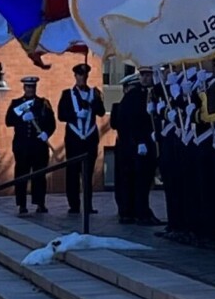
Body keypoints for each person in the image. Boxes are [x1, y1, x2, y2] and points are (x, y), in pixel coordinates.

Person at [110, 69, 157, 223]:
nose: (145, 78)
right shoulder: (134, 96)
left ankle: (137, 211)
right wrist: (139, 141)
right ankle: (139, 212)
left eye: (148, 75)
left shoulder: (154, 93)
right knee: (139, 180)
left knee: (144, 179)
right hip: (138, 145)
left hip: (150, 142)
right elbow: (128, 122)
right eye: (142, 75)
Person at [59, 62, 106, 218]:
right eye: (79, 75)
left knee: (88, 173)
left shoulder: (94, 93)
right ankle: (74, 205)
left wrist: (93, 103)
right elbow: (61, 115)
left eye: (84, 75)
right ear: (75, 76)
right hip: (74, 138)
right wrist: (75, 114)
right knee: (72, 173)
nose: (82, 78)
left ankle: (88, 205)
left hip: (90, 139)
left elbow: (101, 112)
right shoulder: (67, 94)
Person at [6, 73, 57, 212]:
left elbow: (51, 123)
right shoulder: (16, 103)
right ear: (24, 87)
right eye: (28, 87)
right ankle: (22, 204)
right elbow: (8, 121)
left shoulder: (43, 104)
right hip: (22, 147)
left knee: (39, 176)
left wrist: (47, 133)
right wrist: (21, 118)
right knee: (22, 175)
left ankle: (40, 202)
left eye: (32, 87)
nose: (30, 89)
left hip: (39, 147)